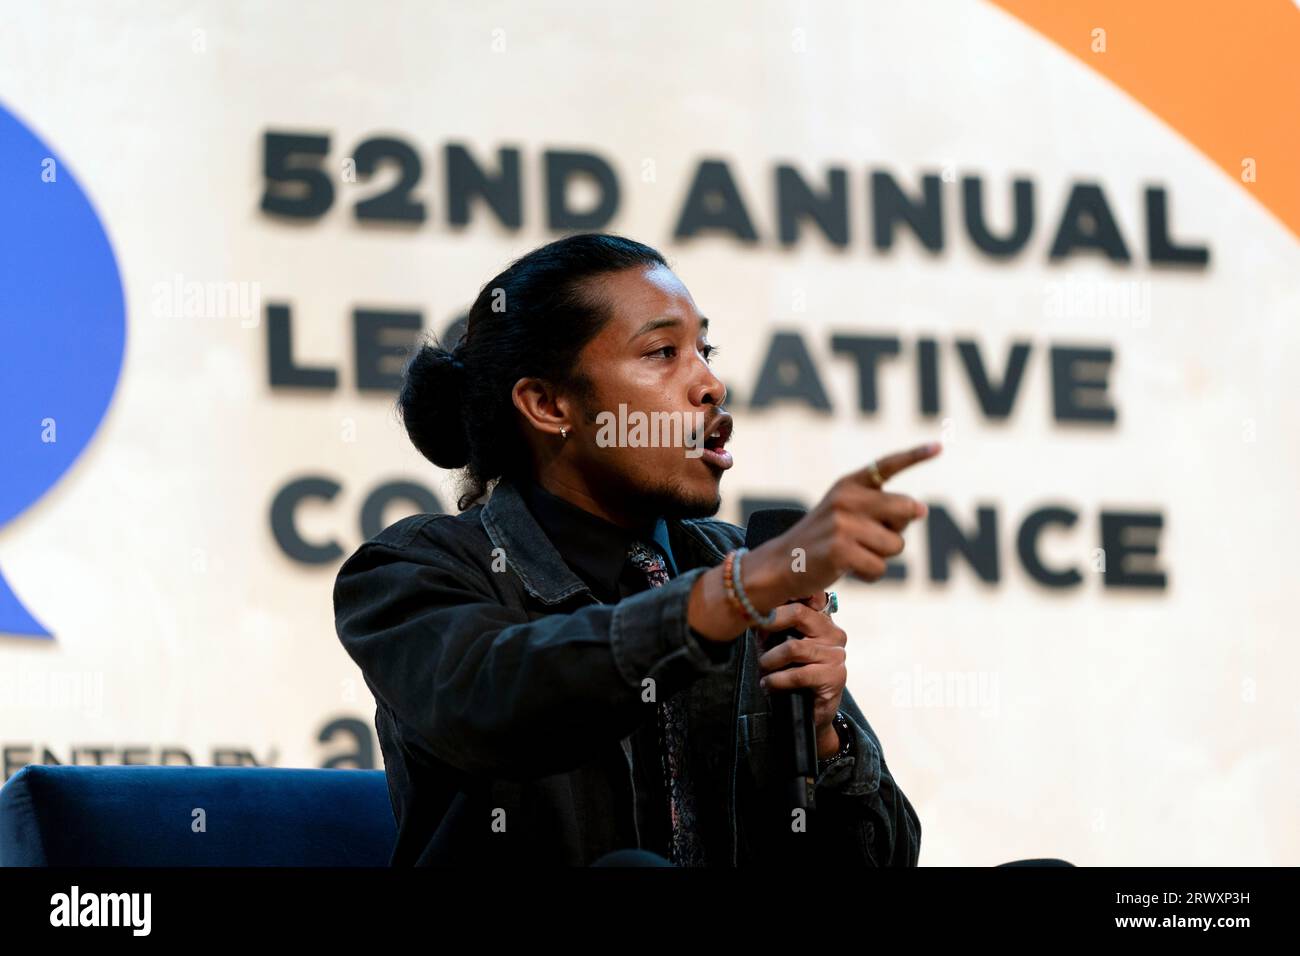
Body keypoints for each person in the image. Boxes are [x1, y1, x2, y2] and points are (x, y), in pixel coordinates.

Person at [332, 232, 941, 866]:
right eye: (661, 352)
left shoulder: (733, 563)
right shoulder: (412, 570)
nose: (711, 384)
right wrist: (723, 600)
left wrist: (822, 739)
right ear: (547, 403)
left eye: (705, 350)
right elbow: (496, 700)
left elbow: (888, 861)